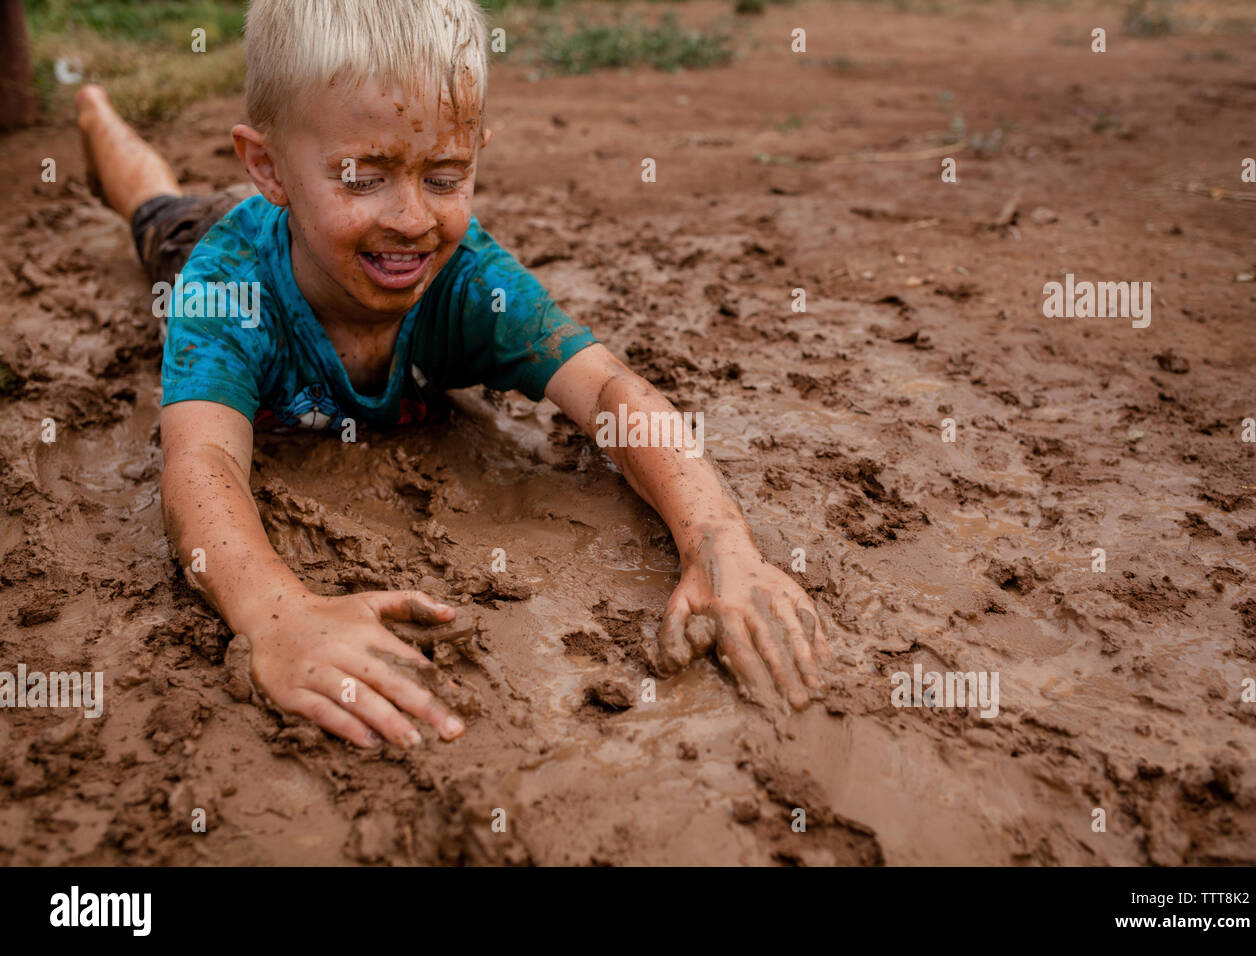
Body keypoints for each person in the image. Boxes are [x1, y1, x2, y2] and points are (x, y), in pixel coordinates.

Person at [76, 0, 831, 750]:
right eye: (363, 177)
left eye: (444, 176)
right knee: (156, 209)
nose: (411, 218)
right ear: (267, 165)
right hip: (212, 237)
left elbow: (608, 391)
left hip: (305, 225)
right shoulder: (224, 287)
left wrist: (720, 543)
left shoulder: (471, 280)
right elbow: (201, 460)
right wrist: (277, 612)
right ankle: (96, 114)